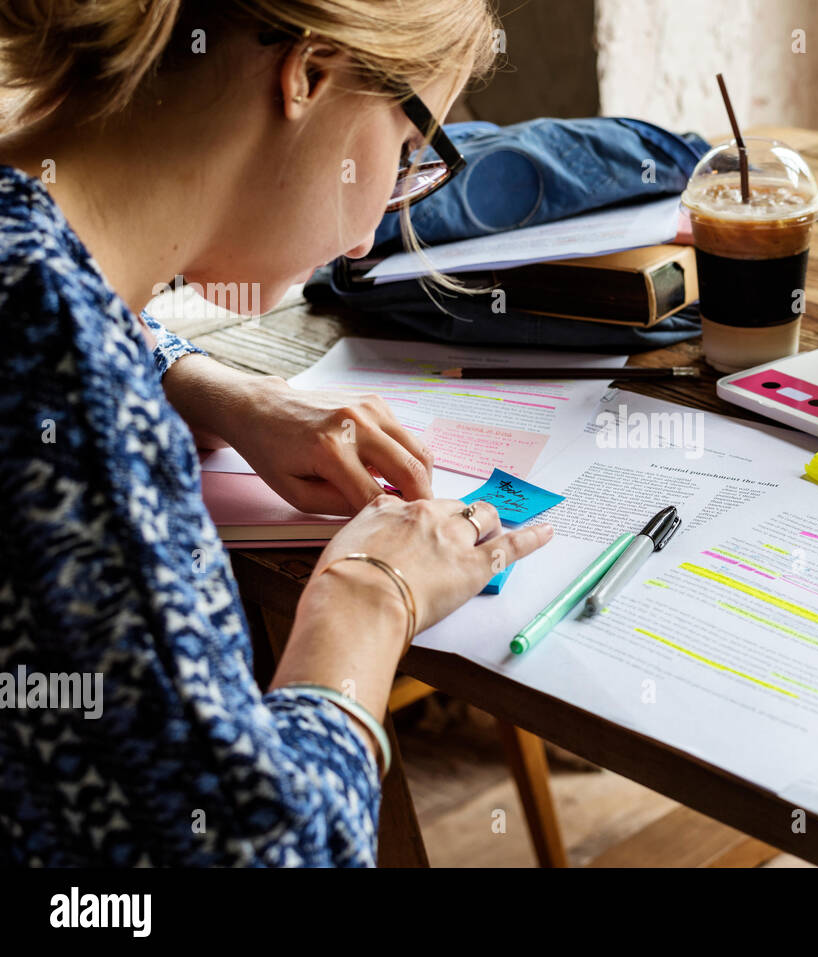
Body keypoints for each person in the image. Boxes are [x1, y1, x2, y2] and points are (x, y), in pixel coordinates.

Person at [0, 0, 553, 866]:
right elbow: (251, 852)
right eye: (411, 152)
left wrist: (204, 385)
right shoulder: (63, 365)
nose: (370, 237)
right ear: (309, 73)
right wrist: (370, 600)